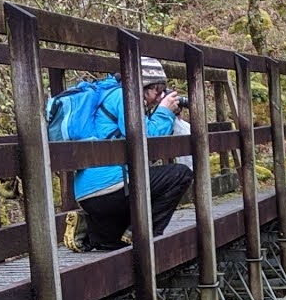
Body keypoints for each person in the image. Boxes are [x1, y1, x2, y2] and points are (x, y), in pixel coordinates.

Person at [72, 57, 194, 252]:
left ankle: (93, 231)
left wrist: (169, 117)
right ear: (142, 85)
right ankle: (143, 234)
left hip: (89, 194)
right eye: (157, 91)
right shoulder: (126, 97)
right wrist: (164, 113)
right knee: (181, 174)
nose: (159, 97)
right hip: (112, 188)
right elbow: (147, 141)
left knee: (117, 243)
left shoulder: (111, 95)